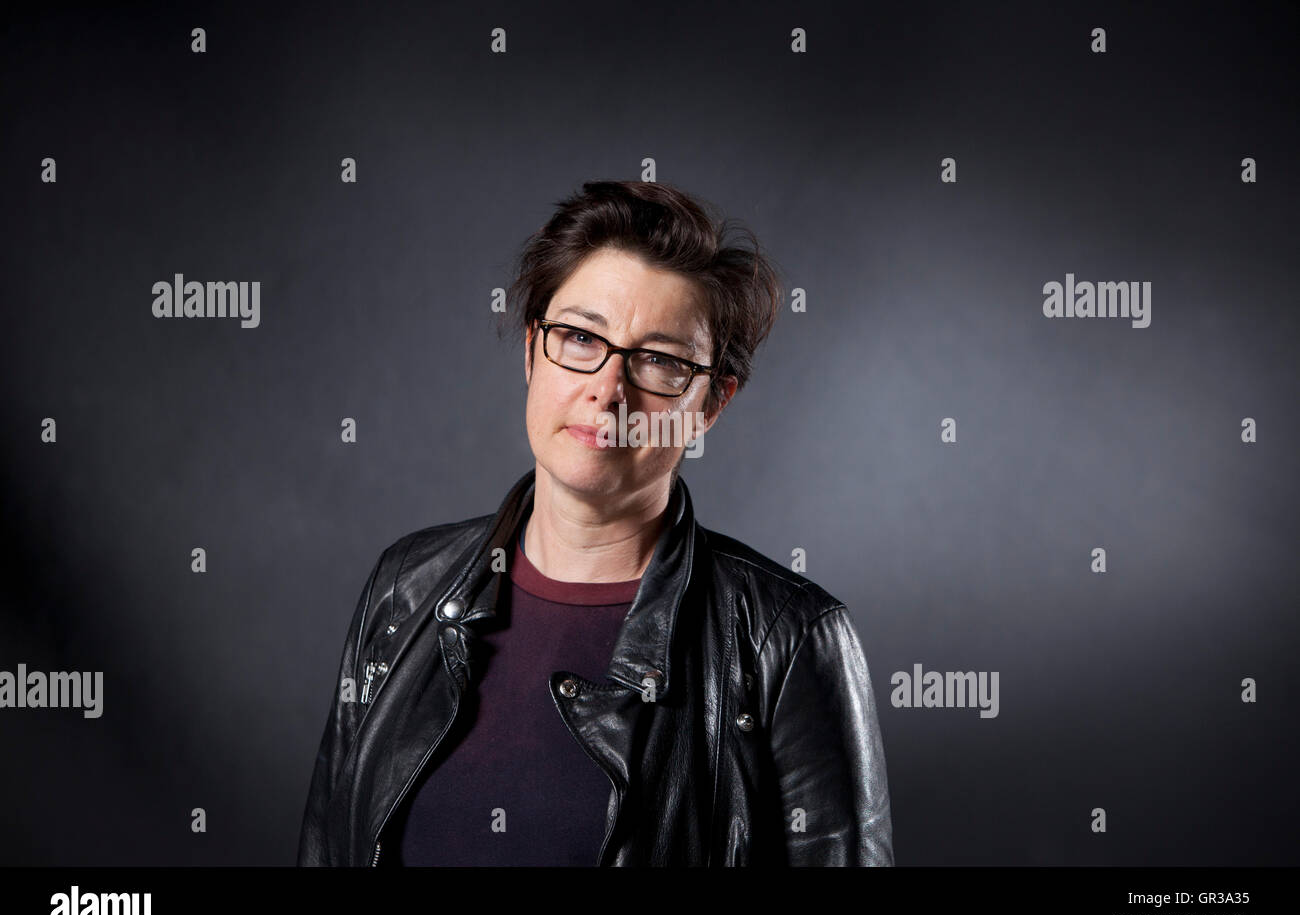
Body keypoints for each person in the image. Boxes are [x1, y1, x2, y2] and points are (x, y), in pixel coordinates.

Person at [296, 180, 894, 866]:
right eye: (580, 338)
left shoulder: (788, 640)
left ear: (710, 405)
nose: (608, 391)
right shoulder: (405, 585)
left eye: (660, 361)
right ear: (532, 351)